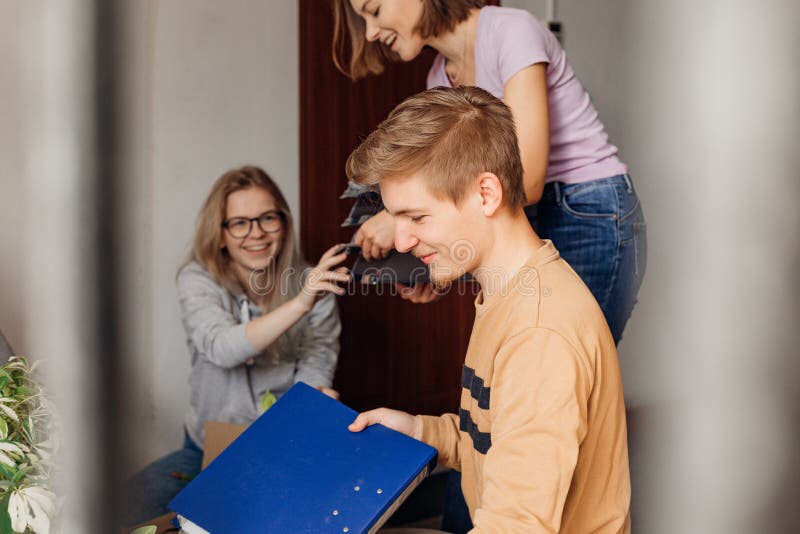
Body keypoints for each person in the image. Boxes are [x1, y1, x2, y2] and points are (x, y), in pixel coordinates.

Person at [346, 87, 631, 532]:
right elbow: (495, 442)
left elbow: (516, 524)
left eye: (417, 218)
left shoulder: (539, 332)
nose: (400, 242)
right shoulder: (509, 296)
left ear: (486, 193)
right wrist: (420, 432)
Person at [333, 0, 646, 345]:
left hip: (587, 210)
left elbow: (522, 181)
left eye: (374, 11)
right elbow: (469, 192)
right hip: (528, 216)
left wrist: (398, 221)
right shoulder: (439, 78)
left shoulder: (511, 31)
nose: (372, 32)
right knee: (531, 366)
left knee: (565, 364)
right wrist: (438, 262)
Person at [126, 165, 350, 525]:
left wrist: (314, 401)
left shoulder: (314, 283)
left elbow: (317, 362)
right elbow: (222, 348)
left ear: (284, 223)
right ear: (220, 234)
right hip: (205, 450)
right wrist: (299, 304)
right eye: (240, 222)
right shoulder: (197, 279)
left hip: (278, 451)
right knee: (120, 510)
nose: (256, 233)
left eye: (267, 219)